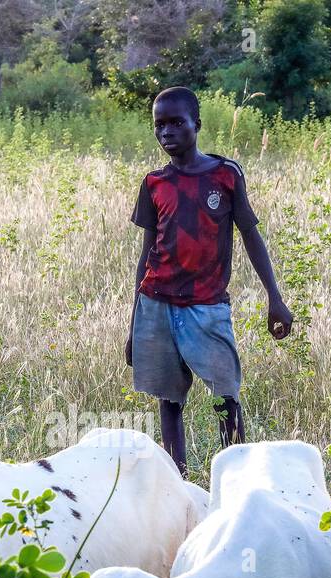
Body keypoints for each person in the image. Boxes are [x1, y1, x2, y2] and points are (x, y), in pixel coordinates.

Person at [127, 86, 294, 476]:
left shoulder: (225, 175)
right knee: (169, 401)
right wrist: (134, 324)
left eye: (176, 123)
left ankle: (236, 480)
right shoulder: (154, 184)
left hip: (207, 306)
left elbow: (251, 235)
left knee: (226, 397)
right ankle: (178, 483)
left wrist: (275, 297)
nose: (166, 132)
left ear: (196, 125)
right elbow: (145, 255)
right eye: (159, 125)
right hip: (157, 304)